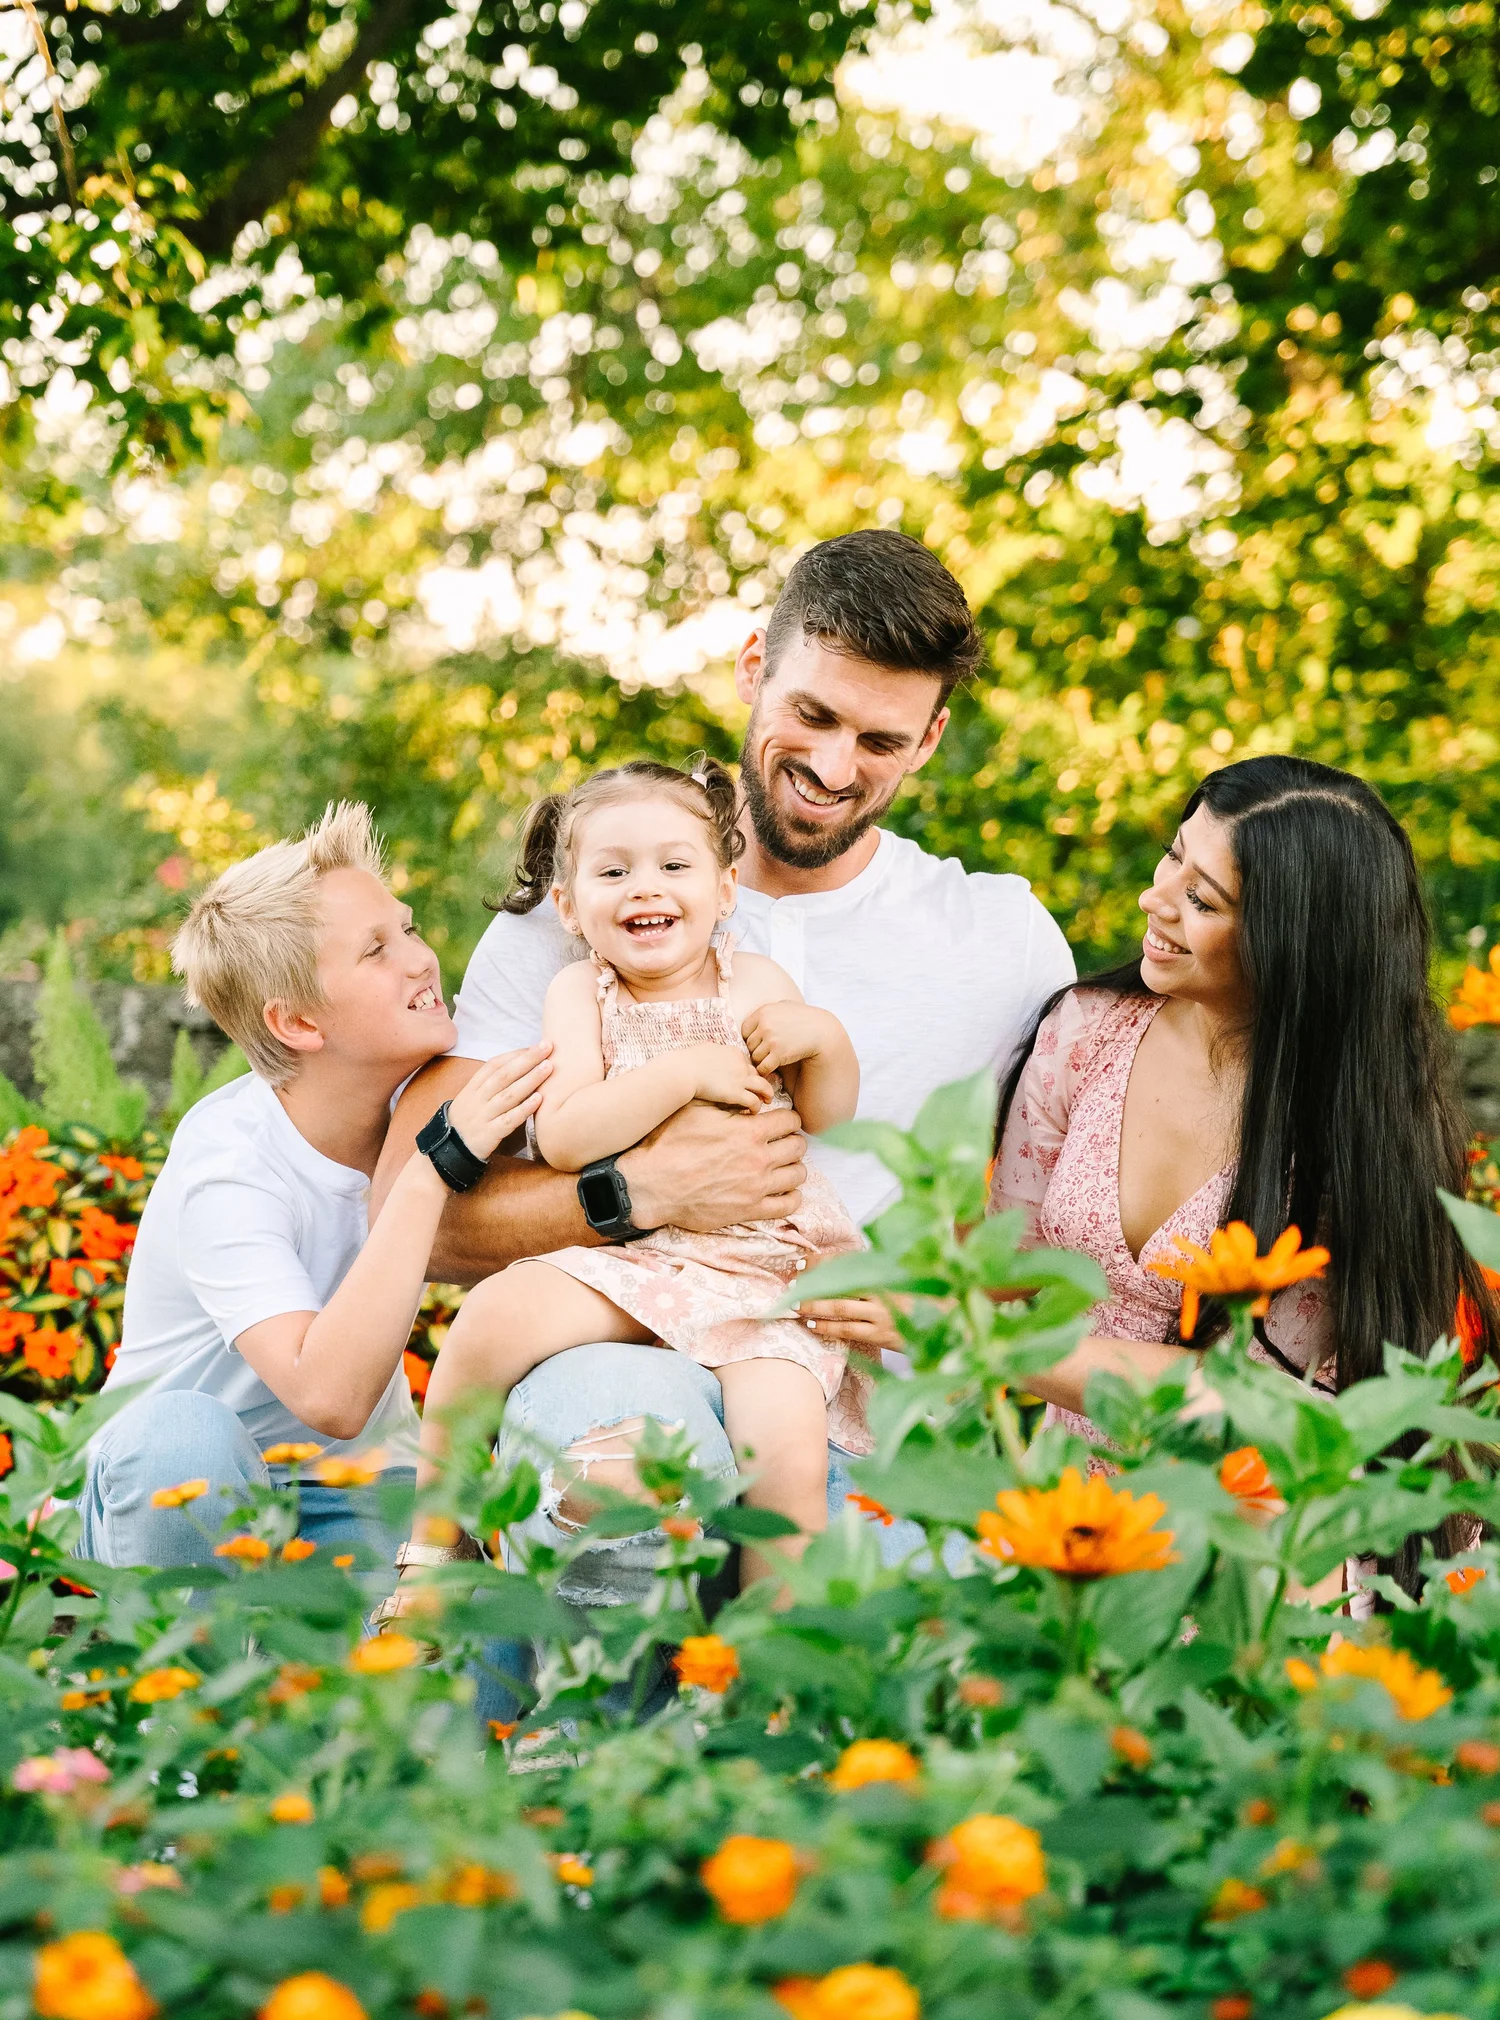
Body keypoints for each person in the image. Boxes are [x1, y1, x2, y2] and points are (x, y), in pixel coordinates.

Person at [373, 529, 1074, 1581]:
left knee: (891, 1611)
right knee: (624, 1479)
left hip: (835, 1376)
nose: (835, 768)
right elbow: (409, 1209)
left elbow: (1069, 1225)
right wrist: (638, 1192)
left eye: (880, 741)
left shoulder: (1001, 940)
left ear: (929, 741)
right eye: (813, 714)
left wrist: (943, 1311)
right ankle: (519, 1677)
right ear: (755, 668)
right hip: (610, 1347)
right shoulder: (584, 915)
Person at [990, 756, 1500, 1513]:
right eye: (1173, 856)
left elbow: (1252, 1404)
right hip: (1074, 1515)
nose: (1153, 898)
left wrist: (973, 1344)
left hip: (1263, 1537)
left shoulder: (1350, 1134)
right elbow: (1005, 1273)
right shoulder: (1085, 1032)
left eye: (1201, 897)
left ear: (1289, 941)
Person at [417, 758, 870, 1566]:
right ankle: (435, 1545)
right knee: (494, 1316)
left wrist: (827, 1039)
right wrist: (684, 1073)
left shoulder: (755, 982)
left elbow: (827, 1111)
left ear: (724, 890)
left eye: (673, 865)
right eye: (614, 871)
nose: (644, 888)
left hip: (766, 1264)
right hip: (641, 1254)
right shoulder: (581, 995)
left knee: (787, 1458)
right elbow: (563, 1136)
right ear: (569, 905)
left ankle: (770, 1670)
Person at [77, 802, 552, 1572]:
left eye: (409, 928)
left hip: (350, 1487)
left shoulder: (436, 1097)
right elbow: (327, 1392)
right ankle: (183, 1681)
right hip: (177, 1492)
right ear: (298, 1022)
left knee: (470, 1665)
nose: (421, 958)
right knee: (182, 1437)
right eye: (376, 951)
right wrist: (434, 1169)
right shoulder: (230, 1162)